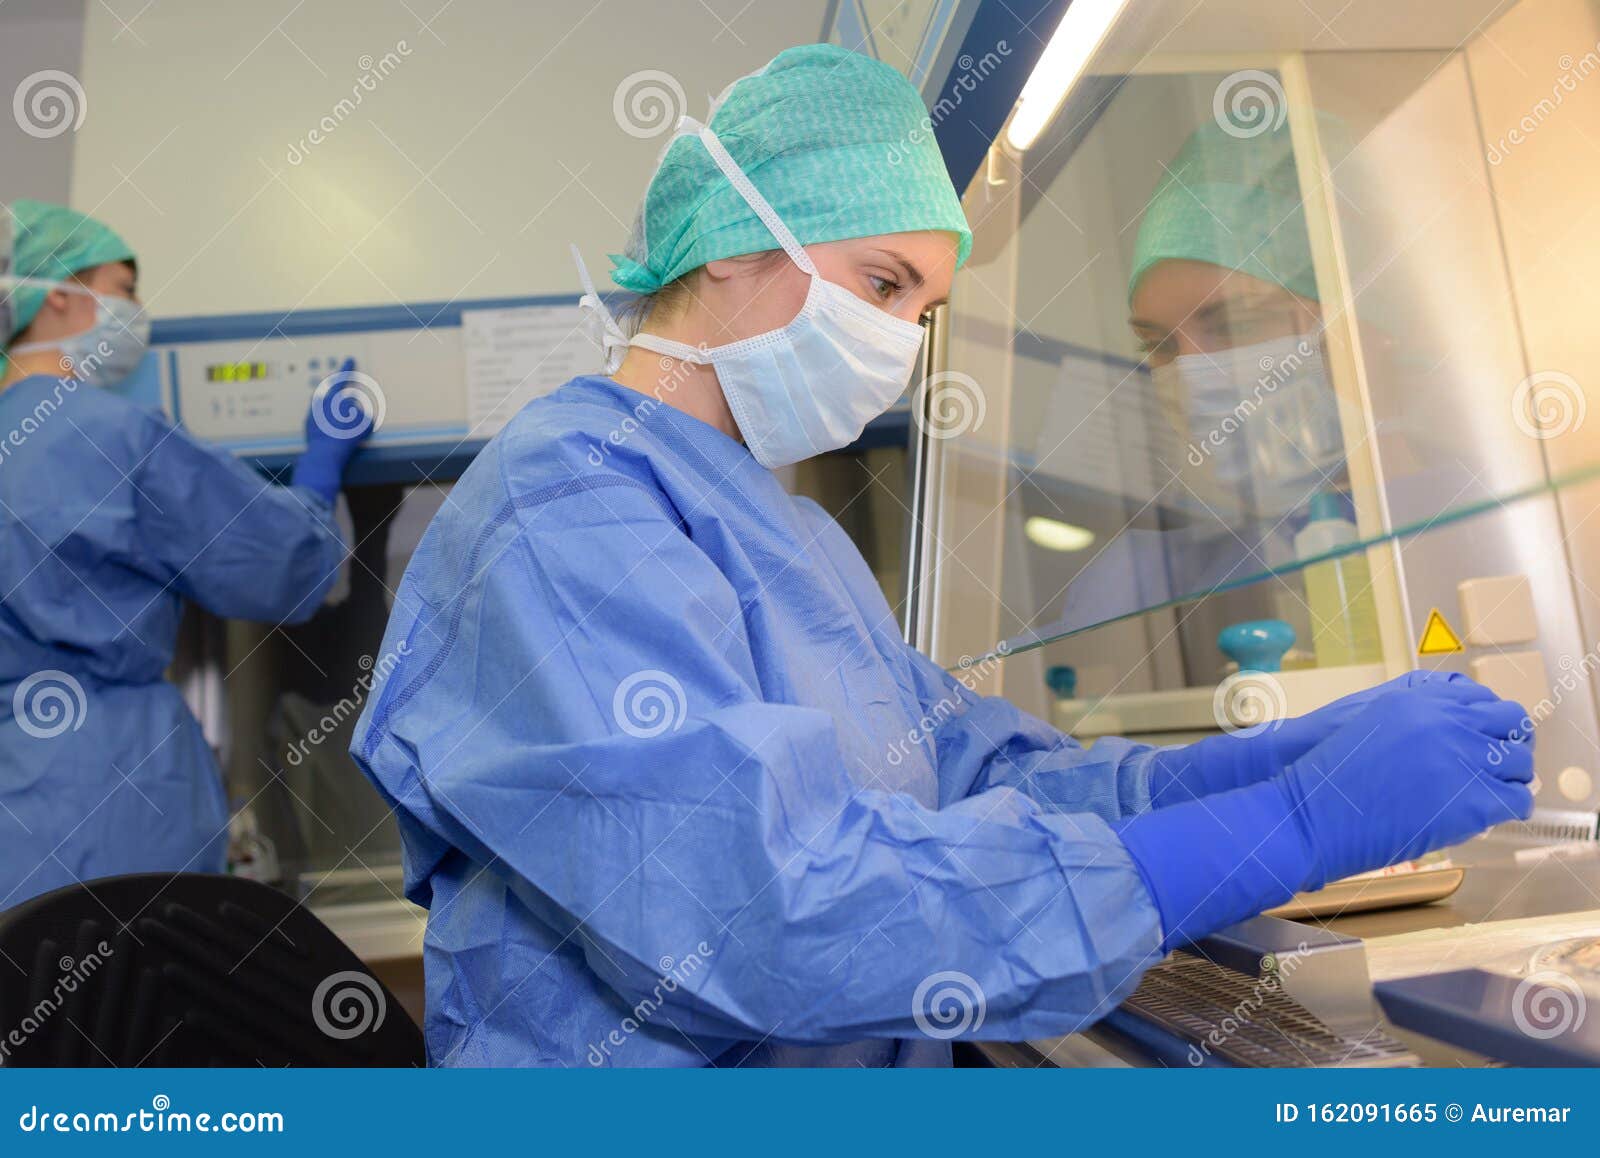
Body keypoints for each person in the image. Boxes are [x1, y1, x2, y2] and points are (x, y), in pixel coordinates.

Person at [350, 45, 1533, 1067]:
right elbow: (770, 911)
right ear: (725, 248)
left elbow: (966, 778)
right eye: (880, 284)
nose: (896, 342)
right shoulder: (563, 507)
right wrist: (1288, 828)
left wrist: (1255, 769)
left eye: (920, 312)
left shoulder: (789, 533)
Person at [0, 200, 371, 908]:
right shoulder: (107, 433)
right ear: (57, 296)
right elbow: (280, 567)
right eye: (124, 287)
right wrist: (320, 471)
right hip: (110, 797)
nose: (137, 308)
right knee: (138, 1003)